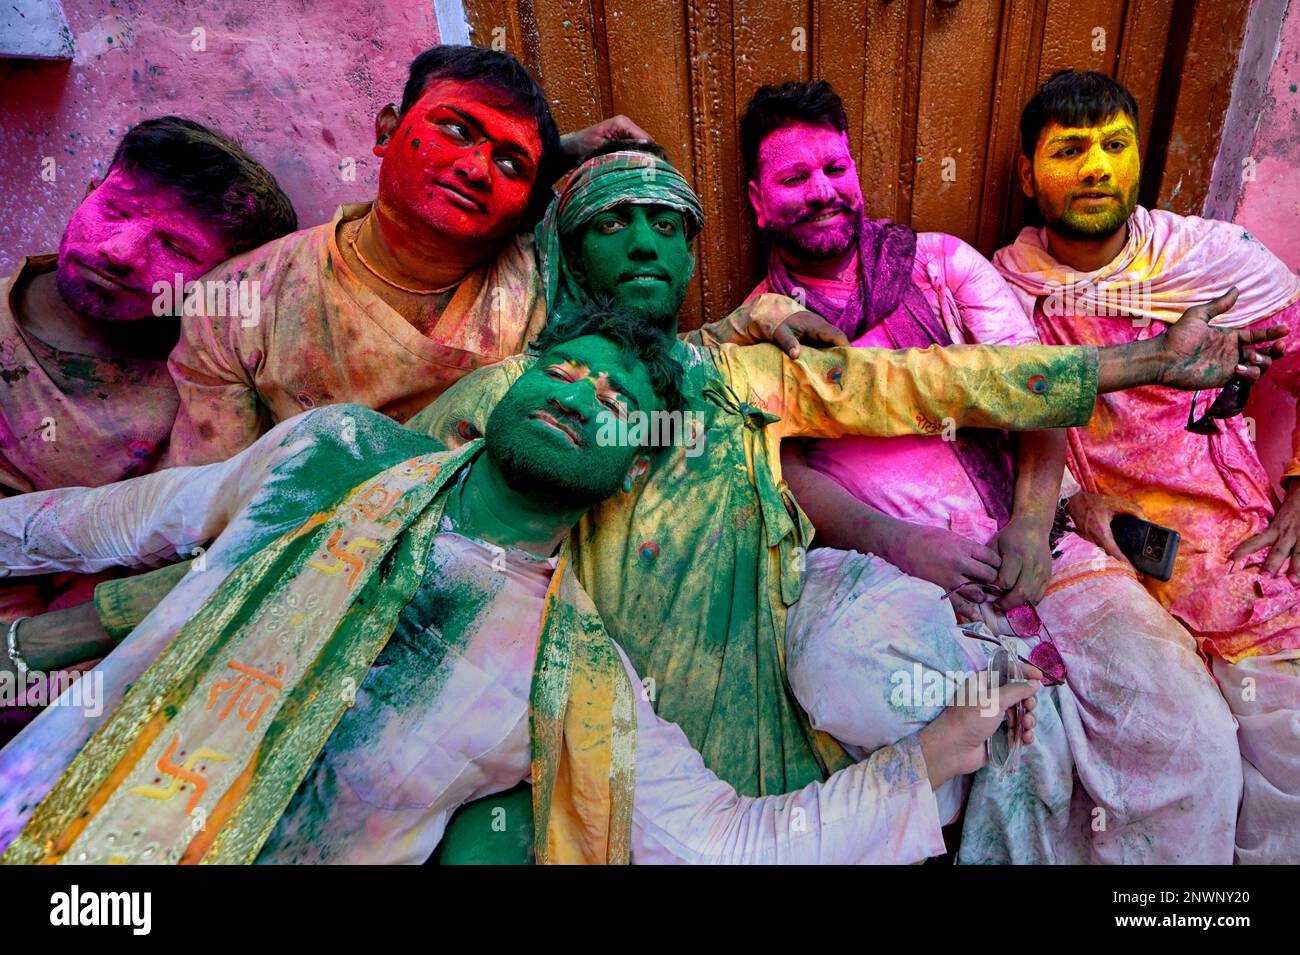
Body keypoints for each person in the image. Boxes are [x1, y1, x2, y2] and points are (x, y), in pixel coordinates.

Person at [401, 144, 1278, 862]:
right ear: (566, 250)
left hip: (761, 701)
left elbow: (931, 380)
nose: (642, 245)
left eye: (667, 226)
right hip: (612, 722)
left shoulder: (739, 374)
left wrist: (1143, 361)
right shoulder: (515, 393)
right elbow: (401, 515)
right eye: (611, 223)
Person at [0, 304, 1037, 865]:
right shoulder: (332, 457)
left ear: (635, 465)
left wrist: (931, 751)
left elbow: (727, 839)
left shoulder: (569, 669)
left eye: (617, 397)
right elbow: (97, 525)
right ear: (507, 393)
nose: (582, 392)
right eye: (565, 370)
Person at [742, 80, 1240, 862]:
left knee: (1191, 739)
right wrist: (902, 547)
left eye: (834, 169)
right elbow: (793, 471)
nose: (823, 193)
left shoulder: (940, 265)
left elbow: (1038, 388)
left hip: (1037, 545)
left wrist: (1034, 525)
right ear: (759, 201)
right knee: (1014, 758)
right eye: (795, 179)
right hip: (902, 579)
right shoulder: (761, 334)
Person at [991, 70, 1300, 864]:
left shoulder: (1209, 264)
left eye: (1114, 146)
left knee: (1288, 763)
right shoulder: (1005, 290)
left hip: (1230, 554)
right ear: (1028, 174)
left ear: (1139, 163)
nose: (1096, 167)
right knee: (1175, 765)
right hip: (1102, 557)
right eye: (1070, 150)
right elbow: (1000, 417)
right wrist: (1074, 507)